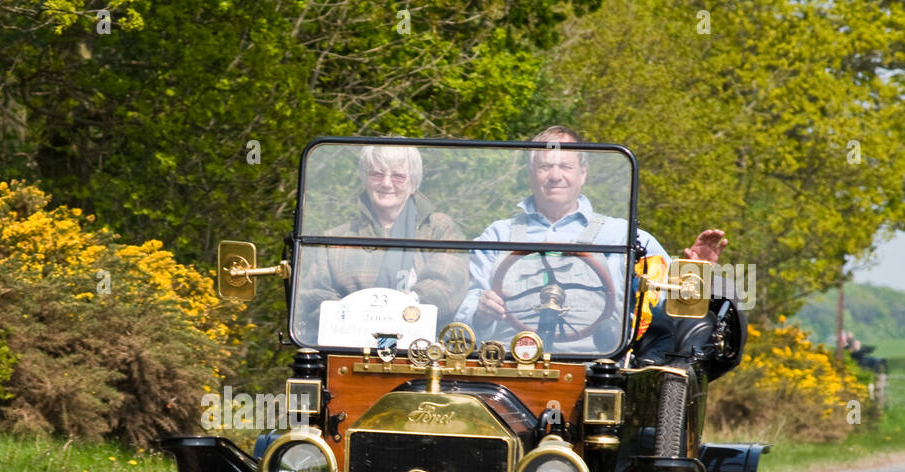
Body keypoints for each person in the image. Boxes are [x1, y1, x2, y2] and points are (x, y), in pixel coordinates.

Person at [455, 126, 727, 358]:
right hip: (507, 362)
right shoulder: (497, 236)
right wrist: (481, 314)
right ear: (530, 174)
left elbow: (669, 305)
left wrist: (694, 272)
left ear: (582, 173)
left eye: (565, 166)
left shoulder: (625, 237)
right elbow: (461, 315)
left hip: (597, 367)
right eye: (545, 166)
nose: (555, 175)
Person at [297, 145, 469, 320]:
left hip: (421, 343)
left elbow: (449, 285)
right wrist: (357, 318)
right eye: (377, 174)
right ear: (365, 180)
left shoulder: (439, 228)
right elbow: (313, 297)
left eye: (398, 176)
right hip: (349, 343)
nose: (386, 183)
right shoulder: (334, 239)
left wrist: (399, 311)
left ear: (413, 184)